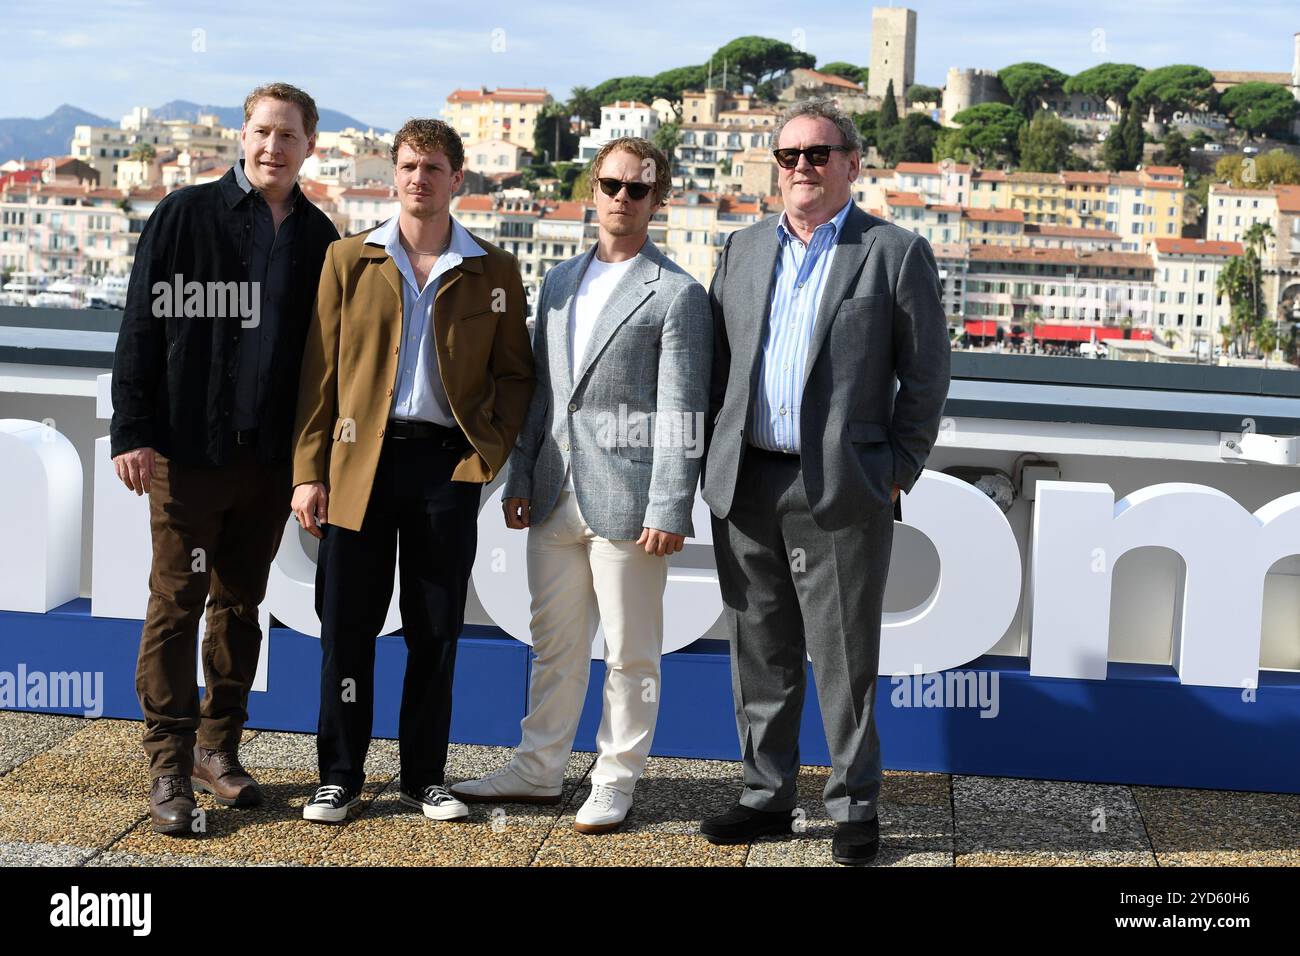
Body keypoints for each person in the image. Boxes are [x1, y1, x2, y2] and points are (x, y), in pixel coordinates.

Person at [699, 99, 951, 865]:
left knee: (845, 659)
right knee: (759, 650)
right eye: (788, 156)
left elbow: (927, 378)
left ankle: (854, 807)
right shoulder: (741, 249)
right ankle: (767, 794)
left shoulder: (894, 253)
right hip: (746, 483)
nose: (801, 167)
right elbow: (716, 369)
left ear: (851, 162)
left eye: (818, 153)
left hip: (840, 487)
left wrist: (893, 472)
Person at [452, 138, 710, 833]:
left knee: (630, 651)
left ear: (658, 201)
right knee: (554, 645)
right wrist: (520, 474)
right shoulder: (560, 282)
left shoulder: (678, 294)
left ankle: (615, 778)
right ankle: (538, 768)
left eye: (638, 189)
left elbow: (685, 410)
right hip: (552, 491)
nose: (622, 198)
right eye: (612, 184)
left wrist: (670, 503)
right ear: (591, 189)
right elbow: (542, 394)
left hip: (631, 504)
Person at [110, 82, 338, 836]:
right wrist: (132, 430)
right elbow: (141, 325)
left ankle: (219, 748)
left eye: (289, 136)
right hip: (186, 451)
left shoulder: (318, 239)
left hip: (268, 461)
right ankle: (169, 766)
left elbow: (322, 361)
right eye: (263, 132)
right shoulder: (186, 215)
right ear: (243, 137)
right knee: (177, 605)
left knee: (240, 606)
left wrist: (311, 463)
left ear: (310, 146)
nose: (274, 147)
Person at [290, 118, 533, 824]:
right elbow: (318, 376)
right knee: (345, 627)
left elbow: (514, 376)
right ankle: (338, 774)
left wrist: (484, 454)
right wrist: (309, 471)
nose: (418, 179)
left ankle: (424, 775)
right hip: (356, 462)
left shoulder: (494, 270)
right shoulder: (348, 260)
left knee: (435, 631)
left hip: (445, 467)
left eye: (432, 167)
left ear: (459, 178)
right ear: (391, 174)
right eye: (407, 166)